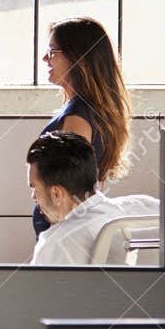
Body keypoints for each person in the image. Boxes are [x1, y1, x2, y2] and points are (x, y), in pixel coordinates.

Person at [33, 17, 132, 237]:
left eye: (52, 52)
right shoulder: (88, 110)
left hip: (64, 236)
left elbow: (70, 192)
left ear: (77, 58)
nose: (44, 58)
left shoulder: (78, 117)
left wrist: (55, 234)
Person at [26, 134, 159, 266]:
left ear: (56, 193)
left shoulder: (56, 244)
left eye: (34, 188)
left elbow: (36, 287)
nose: (33, 196)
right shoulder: (146, 205)